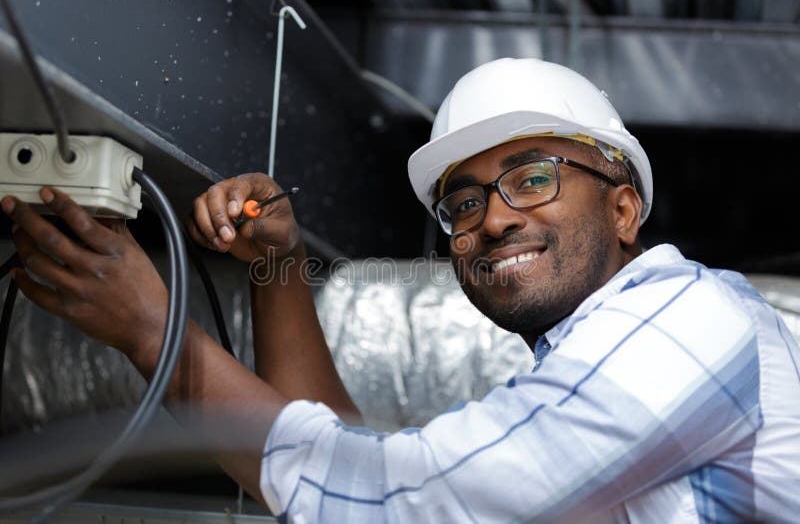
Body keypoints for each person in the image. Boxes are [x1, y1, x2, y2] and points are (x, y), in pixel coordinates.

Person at [3, 58, 799, 522]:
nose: (491, 219)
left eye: (532, 177)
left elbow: (386, 505)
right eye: (465, 200)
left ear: (624, 207)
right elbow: (351, 460)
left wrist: (154, 331)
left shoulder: (688, 322)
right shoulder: (581, 381)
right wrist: (275, 269)